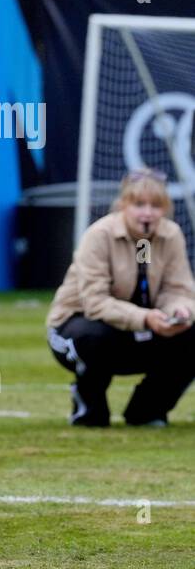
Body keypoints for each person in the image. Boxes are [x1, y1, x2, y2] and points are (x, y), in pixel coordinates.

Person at [47, 169, 195, 426]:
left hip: (139, 331)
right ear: (123, 205)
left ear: (165, 208)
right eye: (139, 204)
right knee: (94, 335)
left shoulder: (170, 235)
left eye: (155, 205)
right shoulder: (99, 236)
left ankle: (148, 410)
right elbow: (95, 303)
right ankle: (88, 407)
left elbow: (178, 289)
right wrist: (146, 318)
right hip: (76, 331)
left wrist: (180, 311)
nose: (147, 213)